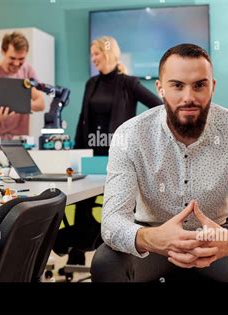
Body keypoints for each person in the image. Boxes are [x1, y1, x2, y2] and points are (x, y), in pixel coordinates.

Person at [90, 43, 228, 282]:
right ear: (160, 88)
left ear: (212, 87)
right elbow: (111, 222)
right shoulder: (130, 135)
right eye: (177, 85)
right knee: (105, 262)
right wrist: (150, 238)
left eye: (199, 85)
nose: (188, 97)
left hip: (218, 237)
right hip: (154, 239)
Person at [54, 36, 162, 269]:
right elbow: (83, 119)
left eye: (97, 54)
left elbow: (159, 106)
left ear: (110, 53)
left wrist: (140, 135)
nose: (93, 59)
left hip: (118, 155)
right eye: (92, 55)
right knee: (83, 200)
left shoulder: (128, 83)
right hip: (92, 153)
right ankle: (78, 249)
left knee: (118, 203)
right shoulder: (91, 83)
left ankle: (117, 249)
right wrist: (76, 153)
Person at [0, 31, 45, 163]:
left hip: (20, 145)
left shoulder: (27, 71)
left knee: (24, 183)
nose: (16, 64)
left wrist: (19, 104)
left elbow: (40, 104)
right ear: (3, 52)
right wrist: (1, 117)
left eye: (21, 59)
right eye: (12, 58)